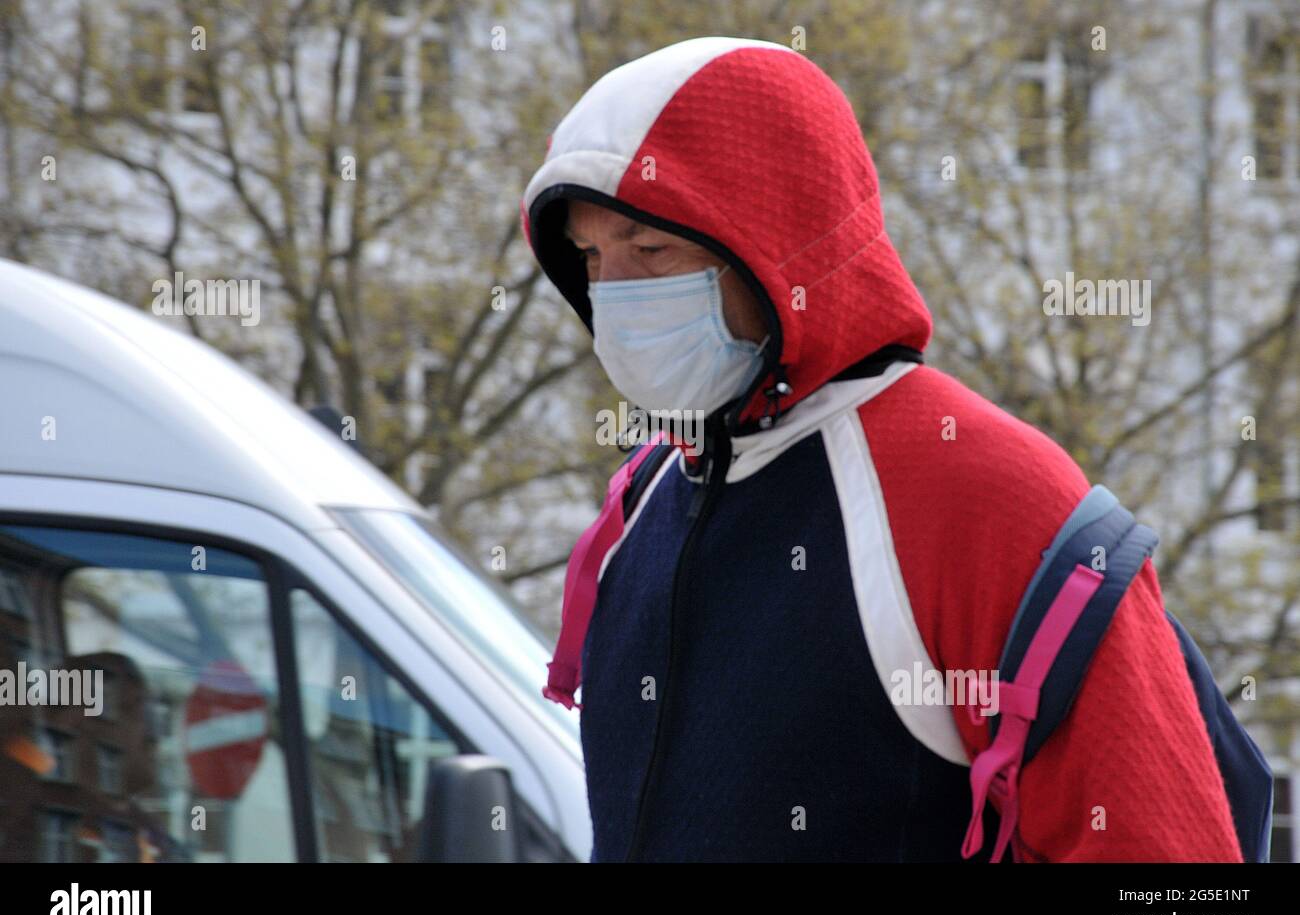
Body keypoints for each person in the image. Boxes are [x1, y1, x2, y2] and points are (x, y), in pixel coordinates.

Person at [519, 36, 1243, 862]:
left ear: (775, 239)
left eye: (650, 250)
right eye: (589, 258)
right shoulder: (642, 498)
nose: (613, 294)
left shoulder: (992, 495)